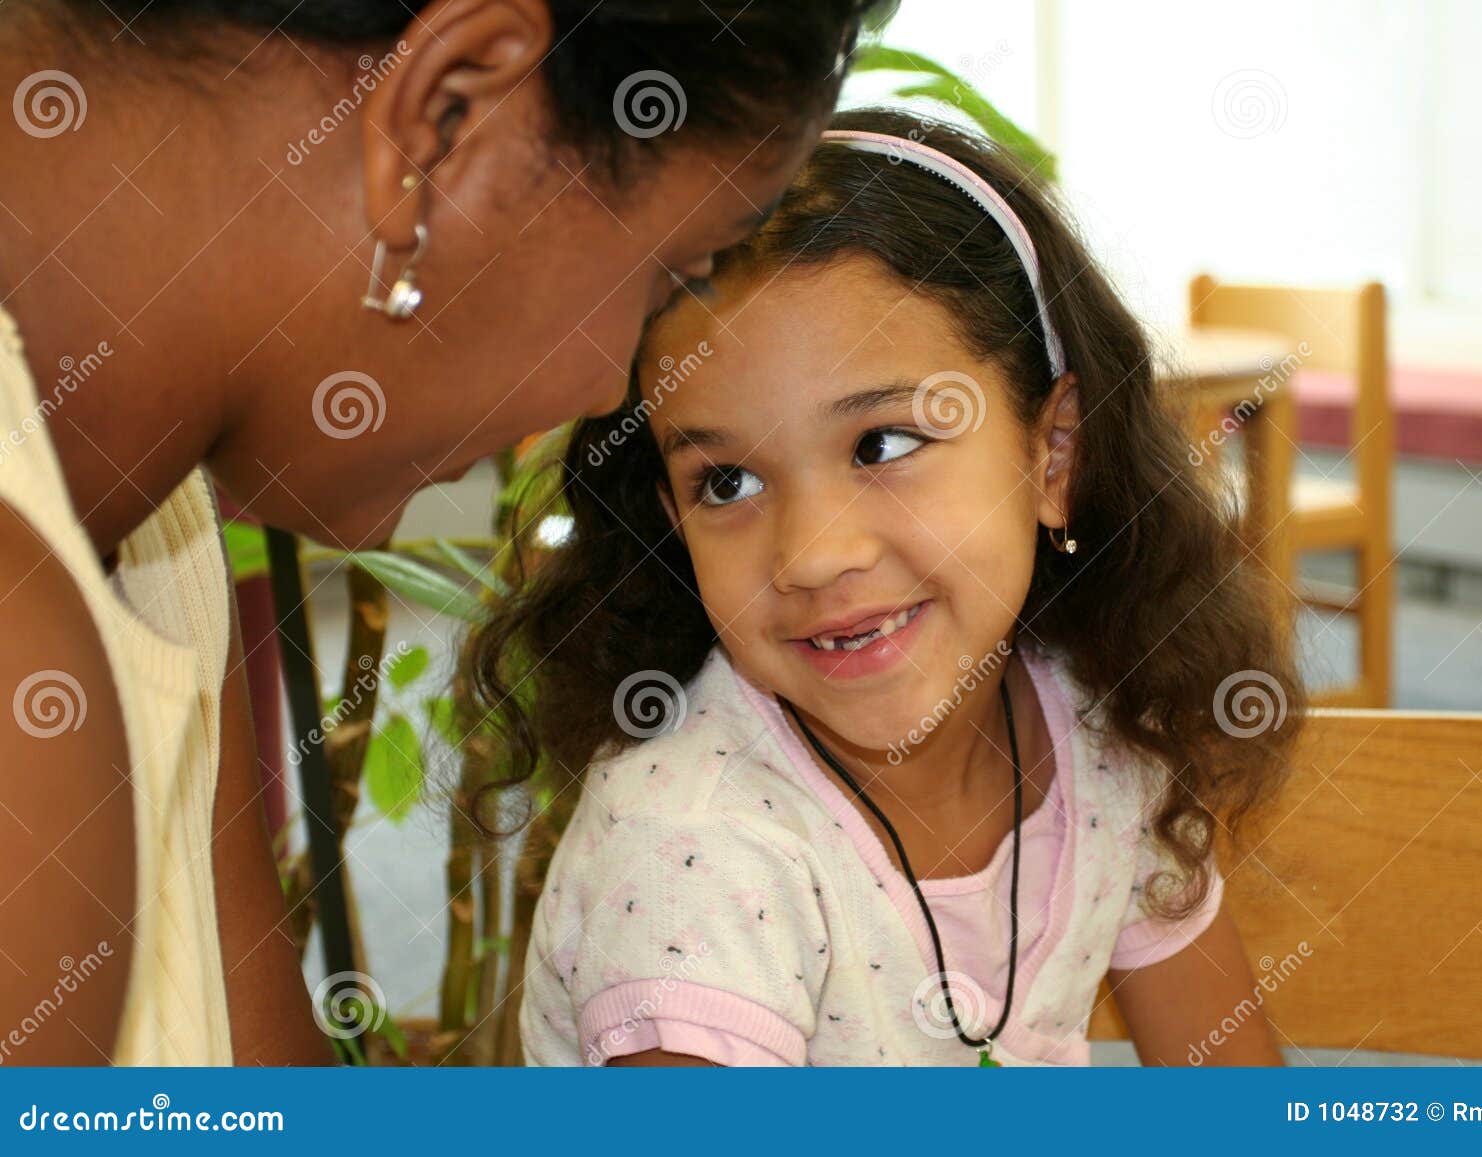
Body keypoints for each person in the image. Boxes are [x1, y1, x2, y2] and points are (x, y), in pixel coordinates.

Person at [0, 0, 882, 1065]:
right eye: (670, 275)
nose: (607, 386)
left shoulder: (157, 537)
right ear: (446, 114)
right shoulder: (25, 638)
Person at [466, 107, 1307, 1066]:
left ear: (1053, 452)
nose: (813, 557)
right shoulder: (695, 853)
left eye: (883, 444)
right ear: (670, 515)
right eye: (726, 483)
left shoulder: (1106, 735)